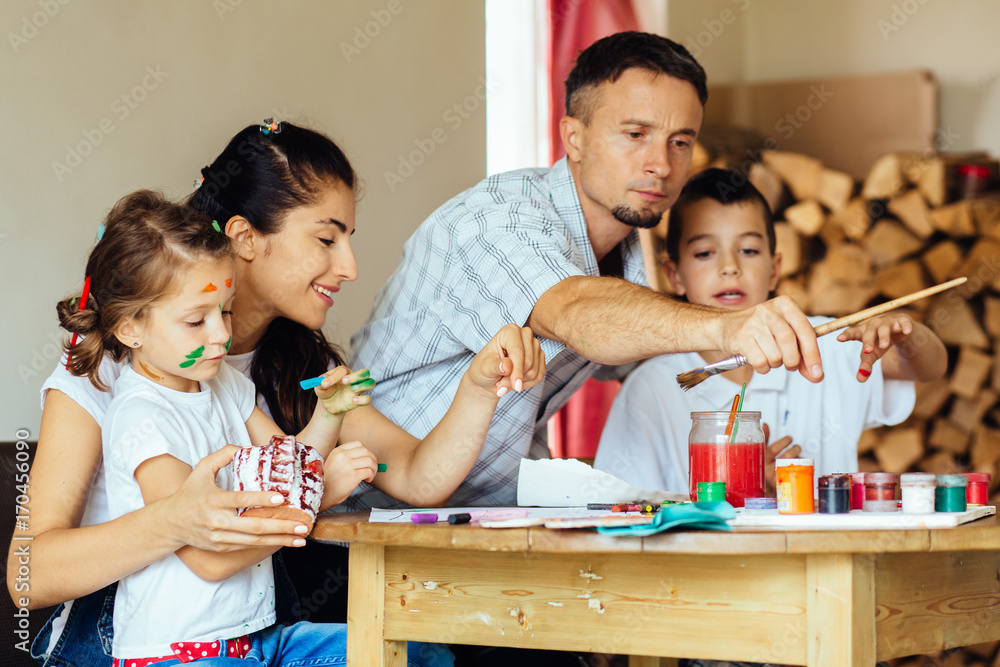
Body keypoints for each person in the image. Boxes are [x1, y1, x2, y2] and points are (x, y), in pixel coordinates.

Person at [11, 120, 544, 665]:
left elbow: (417, 474)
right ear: (245, 238)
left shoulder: (283, 368)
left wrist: (482, 384)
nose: (350, 267)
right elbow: (28, 576)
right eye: (325, 238)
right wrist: (178, 520)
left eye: (348, 240)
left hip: (247, 621)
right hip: (128, 632)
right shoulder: (114, 369)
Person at [349, 31, 825, 512]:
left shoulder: (626, 252)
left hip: (477, 513)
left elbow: (655, 362)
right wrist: (730, 325)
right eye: (635, 135)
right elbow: (579, 312)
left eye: (680, 141)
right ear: (573, 138)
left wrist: (746, 473)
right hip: (364, 516)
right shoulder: (500, 218)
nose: (661, 164)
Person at [593, 168, 948, 496]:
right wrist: (742, 489)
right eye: (704, 253)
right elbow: (626, 511)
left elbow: (929, 368)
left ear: (775, 269)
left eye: (748, 250)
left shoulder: (825, 344)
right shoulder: (654, 388)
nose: (729, 267)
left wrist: (904, 332)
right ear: (674, 275)